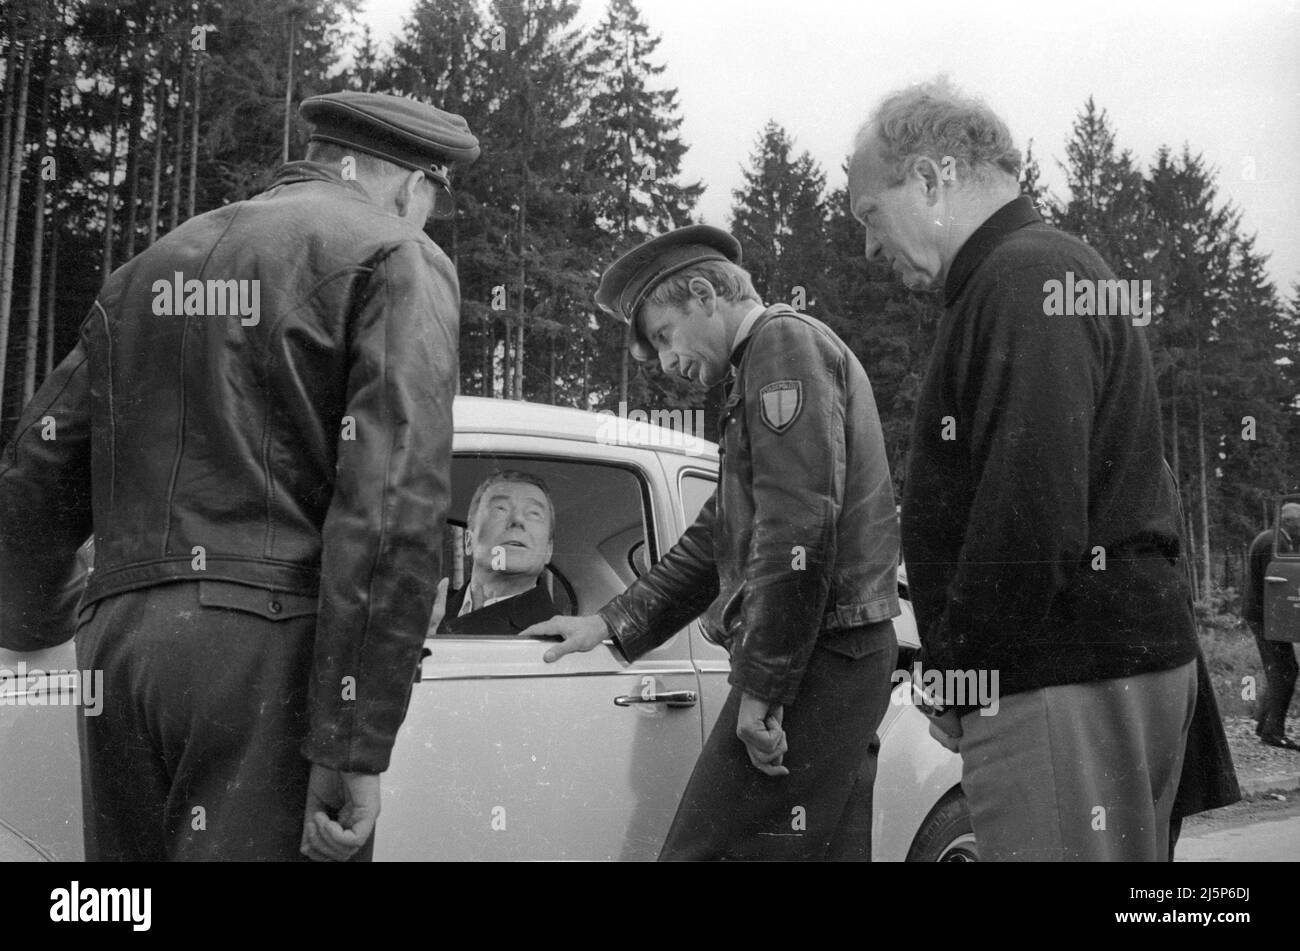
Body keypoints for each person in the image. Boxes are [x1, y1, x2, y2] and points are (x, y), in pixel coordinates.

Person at [0, 91, 478, 861]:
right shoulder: (396, 252)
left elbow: (35, 467)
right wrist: (352, 743)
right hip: (267, 652)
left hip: (119, 654)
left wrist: (30, 620)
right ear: (414, 183)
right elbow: (391, 502)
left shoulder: (148, 267)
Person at [848, 78, 1199, 861]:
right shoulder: (1041, 268)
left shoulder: (1019, 277)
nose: (867, 247)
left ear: (933, 180)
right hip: (1085, 669)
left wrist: (956, 671)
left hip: (1058, 678)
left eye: (870, 214)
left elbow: (1030, 513)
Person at [522, 225, 901, 861]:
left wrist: (764, 687)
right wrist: (609, 623)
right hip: (836, 651)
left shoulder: (781, 347)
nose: (669, 364)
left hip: (818, 654)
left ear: (705, 294)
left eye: (666, 336)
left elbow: (797, 532)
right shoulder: (761, 369)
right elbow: (713, 540)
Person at [437, 471, 559, 637]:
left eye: (534, 513)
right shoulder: (424, 612)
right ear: (468, 541)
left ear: (548, 551)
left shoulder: (556, 636)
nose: (517, 520)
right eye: (500, 509)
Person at [1242, 502, 1300, 749]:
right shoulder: (1275, 543)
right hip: (1267, 617)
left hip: (1263, 615)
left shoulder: (1270, 538)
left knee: (1279, 671)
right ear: (1288, 522)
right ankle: (1273, 732)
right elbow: (1275, 585)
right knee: (1285, 672)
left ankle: (1264, 725)